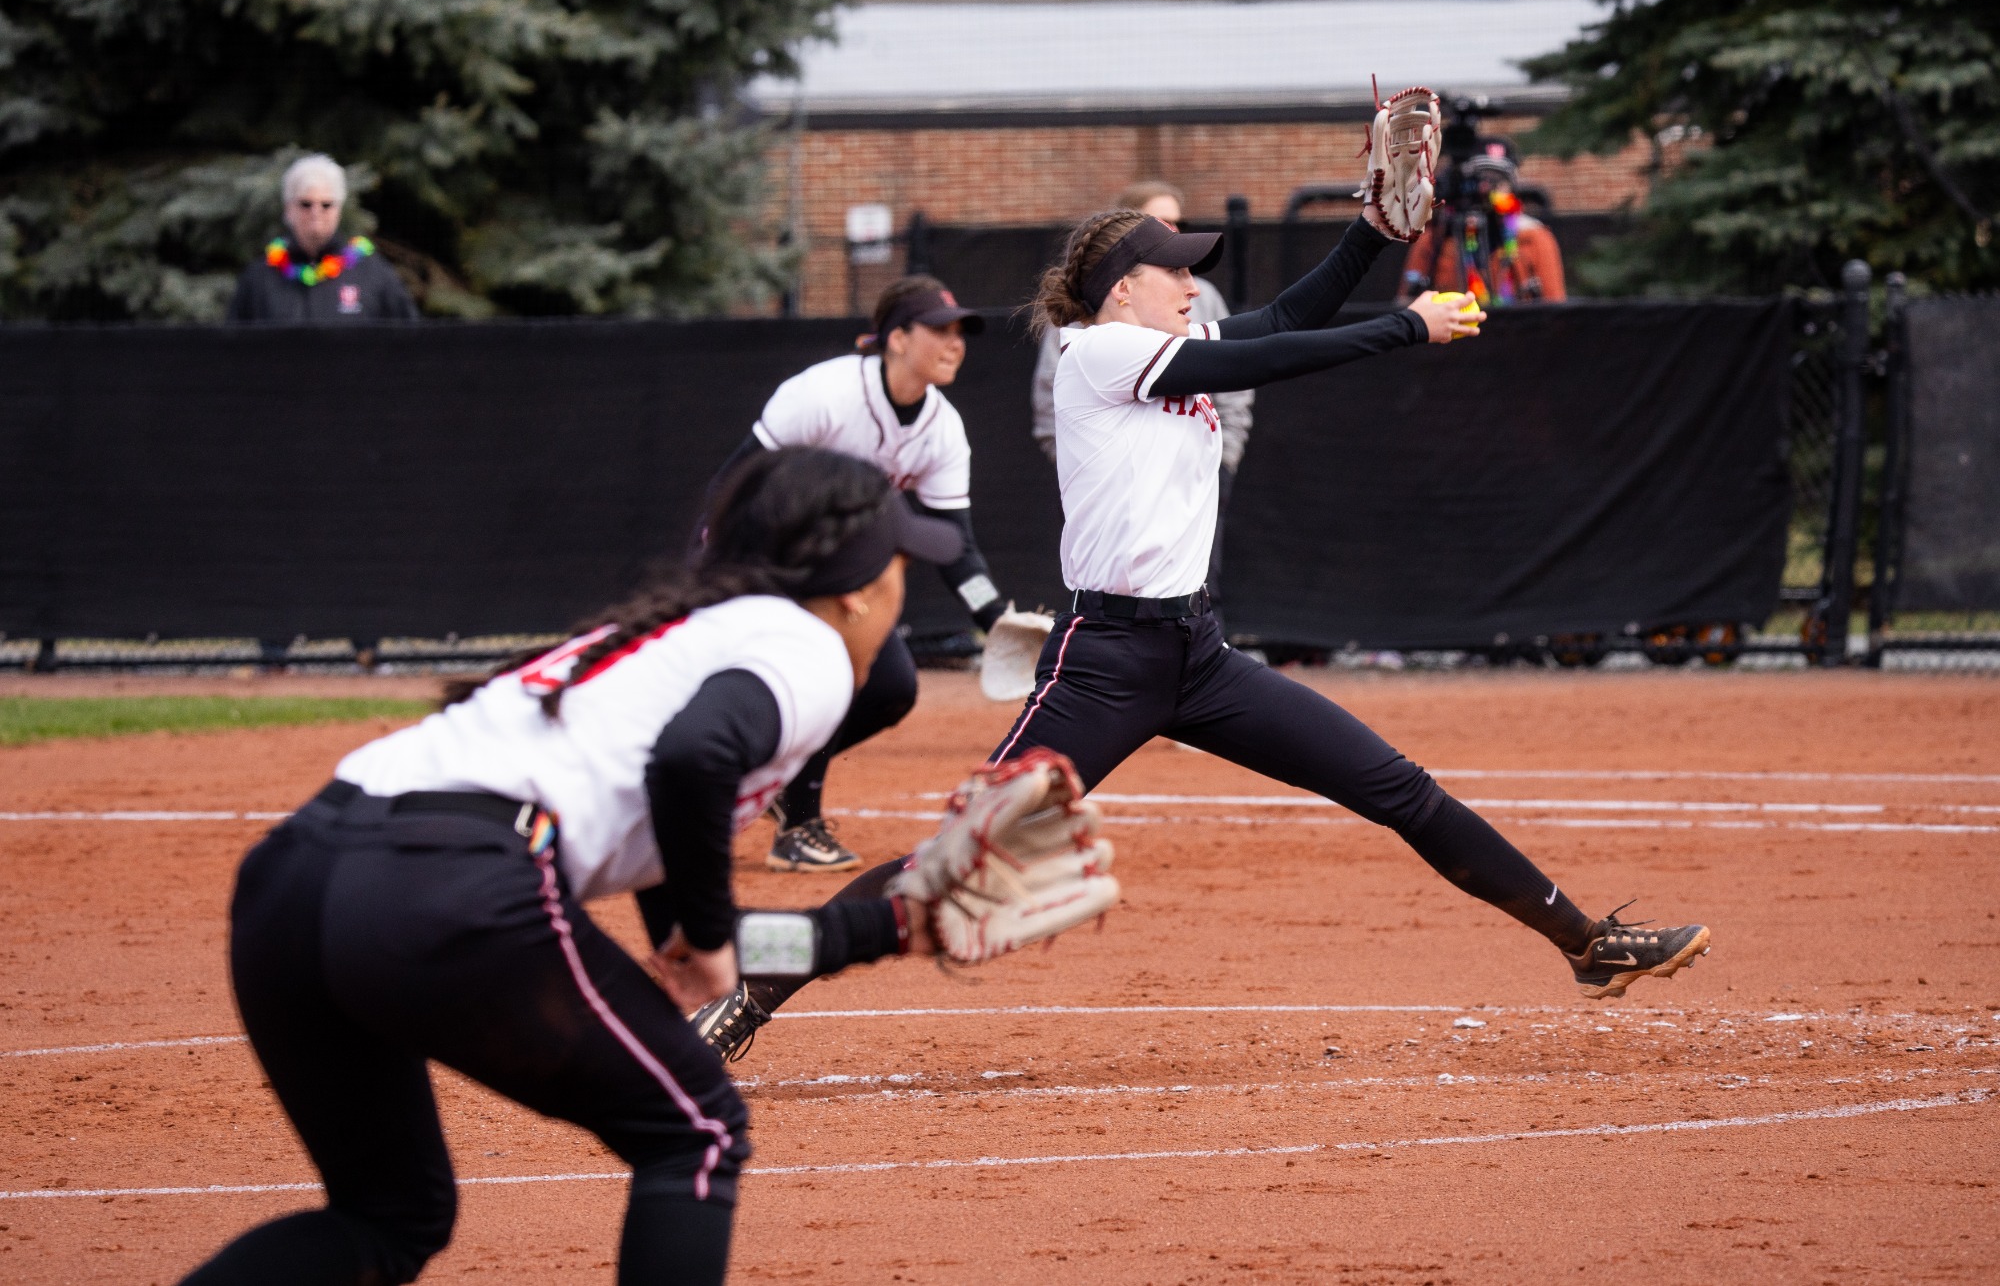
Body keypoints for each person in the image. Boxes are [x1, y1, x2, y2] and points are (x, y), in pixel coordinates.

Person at [694, 200, 1708, 1058]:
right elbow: (1274, 350)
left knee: (1395, 786)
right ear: (1117, 288)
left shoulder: (1164, 343)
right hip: (1103, 667)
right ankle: (756, 982)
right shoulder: (1096, 351)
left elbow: (1280, 315)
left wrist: (1365, 236)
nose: (1191, 285)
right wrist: (1404, 326)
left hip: (1198, 656)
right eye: (1172, 271)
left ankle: (1582, 941)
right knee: (944, 866)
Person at [178, 449, 980, 1286]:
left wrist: (881, 925)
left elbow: (707, 947)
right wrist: (708, 936)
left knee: (390, 1212)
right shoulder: (805, 645)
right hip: (447, 882)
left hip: (294, 875)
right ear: (853, 588)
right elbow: (695, 763)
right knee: (696, 1133)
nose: (901, 587)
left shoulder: (675, 641)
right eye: (897, 564)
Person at [706, 275, 1013, 874]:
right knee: (821, 676)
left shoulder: (943, 430)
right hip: (770, 560)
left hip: (845, 578)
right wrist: (714, 577)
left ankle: (777, 782)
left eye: (961, 333)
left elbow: (957, 546)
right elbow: (736, 484)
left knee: (890, 687)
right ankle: (794, 819)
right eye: (940, 331)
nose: (956, 344)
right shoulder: (824, 394)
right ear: (897, 338)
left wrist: (994, 616)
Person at [1032, 180, 1252, 611]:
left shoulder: (1197, 298)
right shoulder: (1094, 341)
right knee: (1137, 601)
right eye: (1159, 222)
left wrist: (1367, 236)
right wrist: (1404, 327)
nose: (1173, 231)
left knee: (1201, 592)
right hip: (1120, 598)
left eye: (1178, 222)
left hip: (1195, 469)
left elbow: (1248, 360)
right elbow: (1051, 404)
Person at [226, 153, 419, 323]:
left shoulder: (374, 274)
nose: (316, 212)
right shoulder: (260, 278)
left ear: (339, 210)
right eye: (305, 204)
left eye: (326, 205)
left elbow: (408, 342)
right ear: (288, 208)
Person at [1397, 152, 1566, 306]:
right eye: (1479, 182)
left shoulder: (1533, 236)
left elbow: (1554, 309)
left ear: (1512, 189)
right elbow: (1407, 308)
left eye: (1498, 183)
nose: (1486, 191)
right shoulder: (1437, 237)